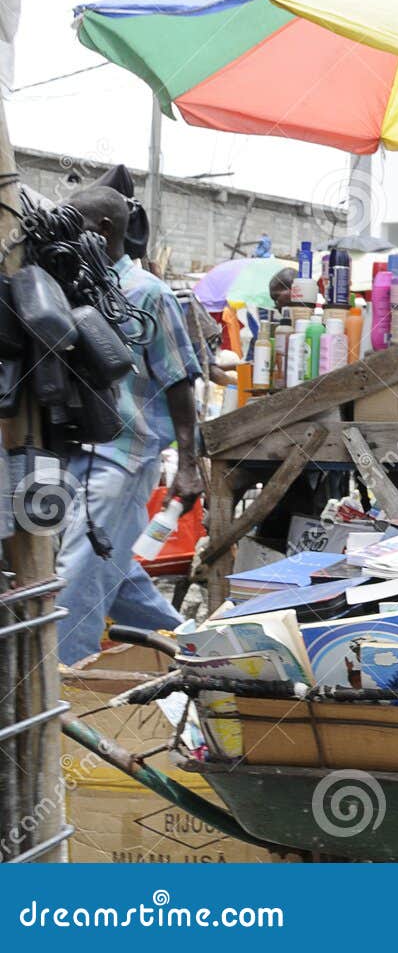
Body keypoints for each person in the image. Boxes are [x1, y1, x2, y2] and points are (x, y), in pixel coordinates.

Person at [56, 186, 204, 667]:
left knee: (79, 574)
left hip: (124, 456)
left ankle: (65, 683)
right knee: (112, 573)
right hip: (72, 454)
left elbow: (180, 380)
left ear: (102, 230)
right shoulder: (70, 285)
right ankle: (202, 656)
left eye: (73, 225)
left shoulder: (148, 293)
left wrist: (189, 466)